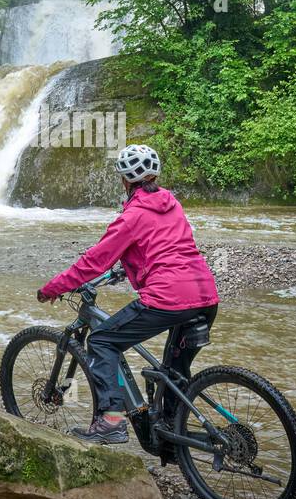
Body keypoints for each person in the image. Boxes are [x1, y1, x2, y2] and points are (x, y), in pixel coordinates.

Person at [37, 144, 219, 444]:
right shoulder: (172, 203)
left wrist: (54, 287)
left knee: (102, 341)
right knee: (175, 370)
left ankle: (110, 421)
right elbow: (165, 247)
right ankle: (174, 440)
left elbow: (94, 261)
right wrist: (129, 266)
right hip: (206, 295)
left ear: (124, 180)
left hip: (168, 298)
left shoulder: (131, 216)